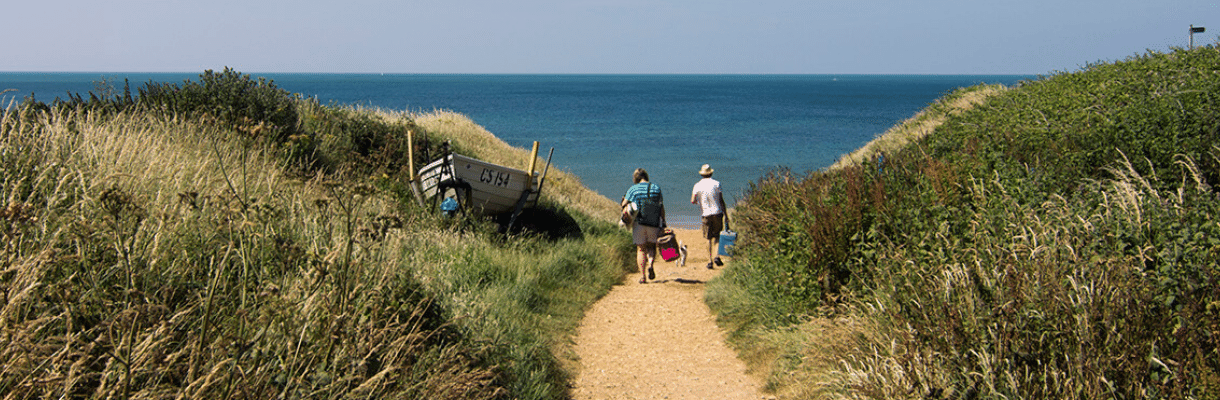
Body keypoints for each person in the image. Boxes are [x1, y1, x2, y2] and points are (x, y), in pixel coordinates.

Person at [622, 168, 666, 283]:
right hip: (654, 222)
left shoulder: (633, 189)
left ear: (635, 178)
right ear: (646, 176)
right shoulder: (656, 188)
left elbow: (624, 204)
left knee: (641, 249)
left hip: (639, 222)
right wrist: (664, 222)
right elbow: (661, 207)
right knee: (651, 246)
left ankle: (642, 276)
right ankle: (650, 264)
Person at [690, 164, 726, 269]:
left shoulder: (697, 185)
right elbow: (721, 200)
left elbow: (693, 200)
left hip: (705, 214)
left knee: (708, 238)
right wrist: (726, 214)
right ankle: (717, 256)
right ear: (711, 173)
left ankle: (709, 260)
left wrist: (699, 203)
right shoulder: (717, 184)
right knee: (717, 236)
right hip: (717, 212)